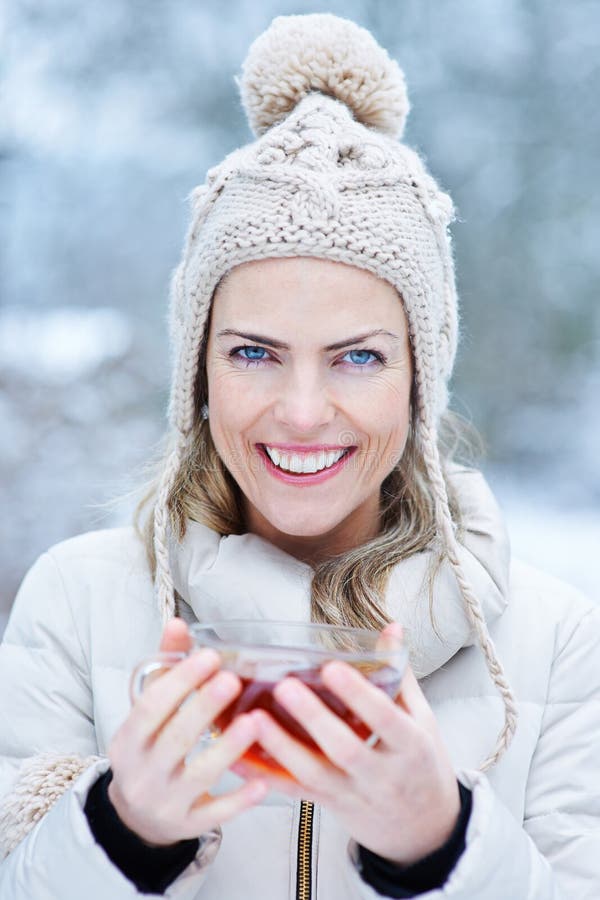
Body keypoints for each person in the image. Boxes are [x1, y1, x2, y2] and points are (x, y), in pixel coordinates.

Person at [0, 13, 598, 900]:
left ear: (419, 382)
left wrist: (442, 847)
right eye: (253, 352)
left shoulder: (556, 643)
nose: (304, 413)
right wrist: (122, 835)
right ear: (197, 375)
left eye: (358, 357)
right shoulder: (76, 604)